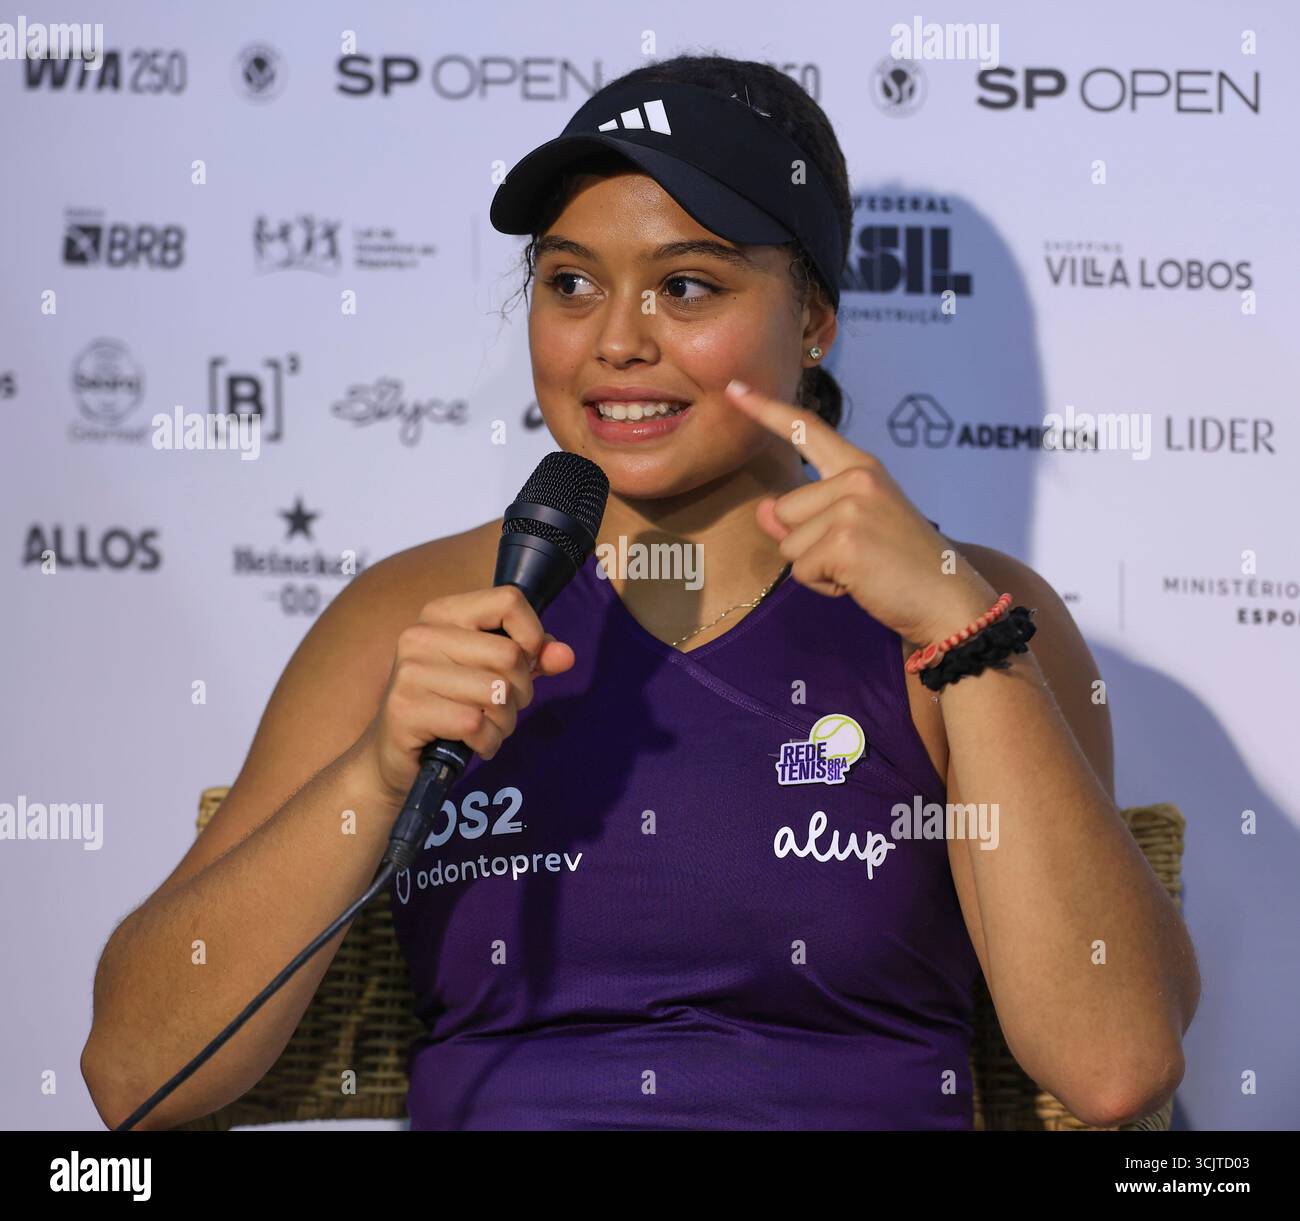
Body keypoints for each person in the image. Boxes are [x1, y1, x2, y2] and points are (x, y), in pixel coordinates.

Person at [81, 54, 1199, 1132]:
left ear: (811, 317)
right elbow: (137, 1076)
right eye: (570, 283)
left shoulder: (981, 611)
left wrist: (961, 633)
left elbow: (1112, 1068)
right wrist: (375, 774)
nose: (617, 340)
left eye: (685, 286)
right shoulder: (407, 615)